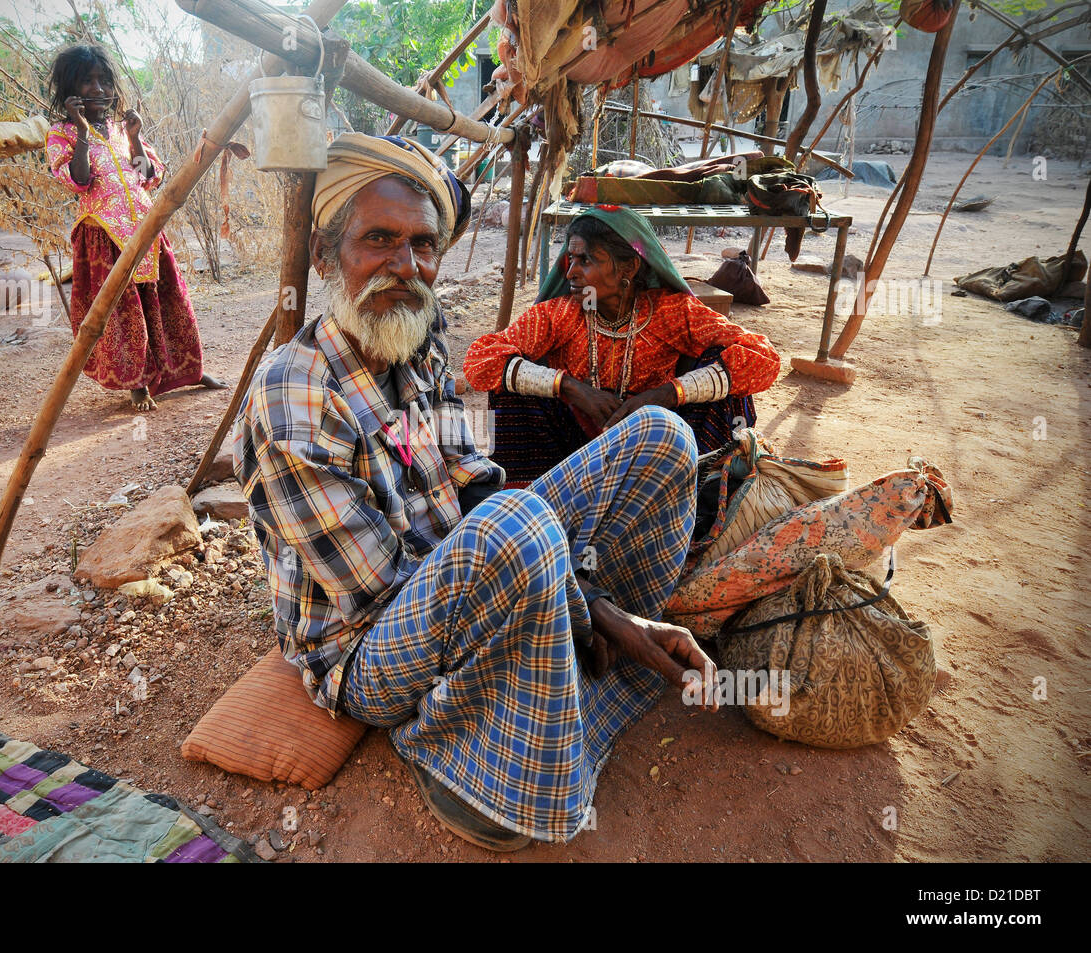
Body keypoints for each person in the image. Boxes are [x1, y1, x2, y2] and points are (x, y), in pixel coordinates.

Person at [233, 134, 717, 852]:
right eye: (379, 240)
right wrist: (579, 596)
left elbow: (470, 477)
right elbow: (384, 594)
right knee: (517, 523)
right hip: (366, 649)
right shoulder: (294, 397)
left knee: (660, 437)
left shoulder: (415, 344)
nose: (406, 267)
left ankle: (565, 674)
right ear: (325, 256)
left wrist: (595, 603)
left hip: (452, 576)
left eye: (423, 245)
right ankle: (469, 766)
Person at [463, 205, 780, 486]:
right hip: (573, 451)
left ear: (629, 268)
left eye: (586, 260)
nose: (571, 271)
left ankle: (704, 494)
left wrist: (667, 394)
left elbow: (762, 357)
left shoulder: (672, 311)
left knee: (728, 373)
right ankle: (533, 499)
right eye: (571, 258)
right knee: (508, 381)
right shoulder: (560, 314)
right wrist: (571, 388)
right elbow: (481, 359)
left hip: (657, 450)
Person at [44, 44, 223, 411]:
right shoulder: (60, 134)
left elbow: (147, 177)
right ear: (70, 90)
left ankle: (189, 371)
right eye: (87, 81)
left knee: (168, 302)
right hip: (102, 235)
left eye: (103, 80)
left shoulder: (121, 130)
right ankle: (137, 382)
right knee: (124, 311)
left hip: (146, 228)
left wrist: (136, 136)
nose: (98, 88)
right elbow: (78, 180)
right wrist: (80, 131)